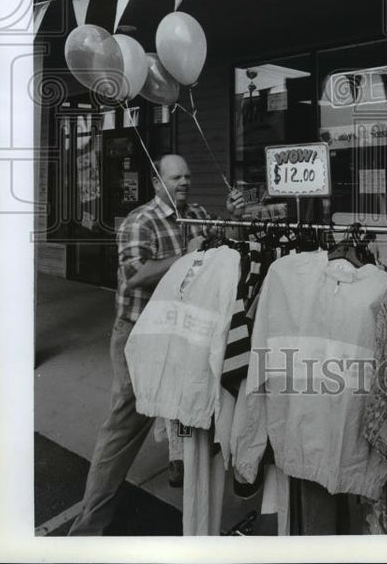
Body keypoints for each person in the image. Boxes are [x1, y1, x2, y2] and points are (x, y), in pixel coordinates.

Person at [69, 153, 245, 536]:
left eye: (187, 176)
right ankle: (87, 528)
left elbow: (225, 241)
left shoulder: (195, 211)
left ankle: (178, 465)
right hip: (139, 333)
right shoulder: (140, 221)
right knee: (123, 428)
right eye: (175, 177)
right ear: (156, 181)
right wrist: (186, 253)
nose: (184, 182)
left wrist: (232, 215)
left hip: (179, 330)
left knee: (183, 403)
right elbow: (135, 276)